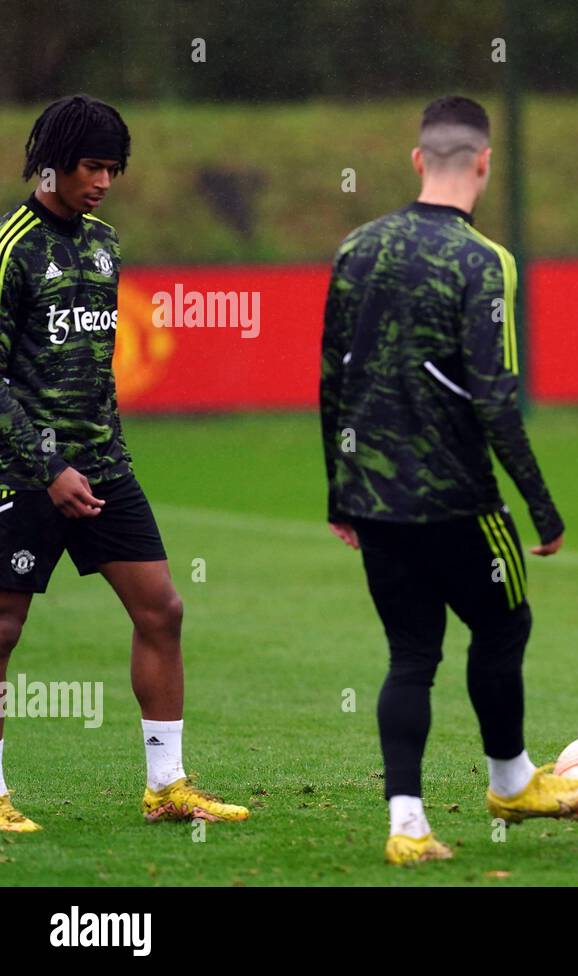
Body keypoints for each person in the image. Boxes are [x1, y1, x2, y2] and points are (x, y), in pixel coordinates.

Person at [319, 95, 578, 865]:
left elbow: (330, 381)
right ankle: (510, 781)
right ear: (484, 161)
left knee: (411, 654)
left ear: (418, 160)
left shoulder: (357, 248)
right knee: (504, 626)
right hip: (457, 502)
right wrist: (541, 507)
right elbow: (494, 399)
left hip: (375, 499)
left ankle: (407, 825)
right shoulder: (486, 261)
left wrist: (338, 493)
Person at [0, 94, 248, 832]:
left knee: (162, 610)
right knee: (3, 629)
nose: (104, 180)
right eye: (92, 166)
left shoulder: (105, 244)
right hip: (23, 473)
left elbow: (98, 369)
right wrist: (47, 467)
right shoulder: (12, 249)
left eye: (114, 167)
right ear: (52, 165)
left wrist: (102, 454)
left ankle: (166, 785)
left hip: (103, 468)